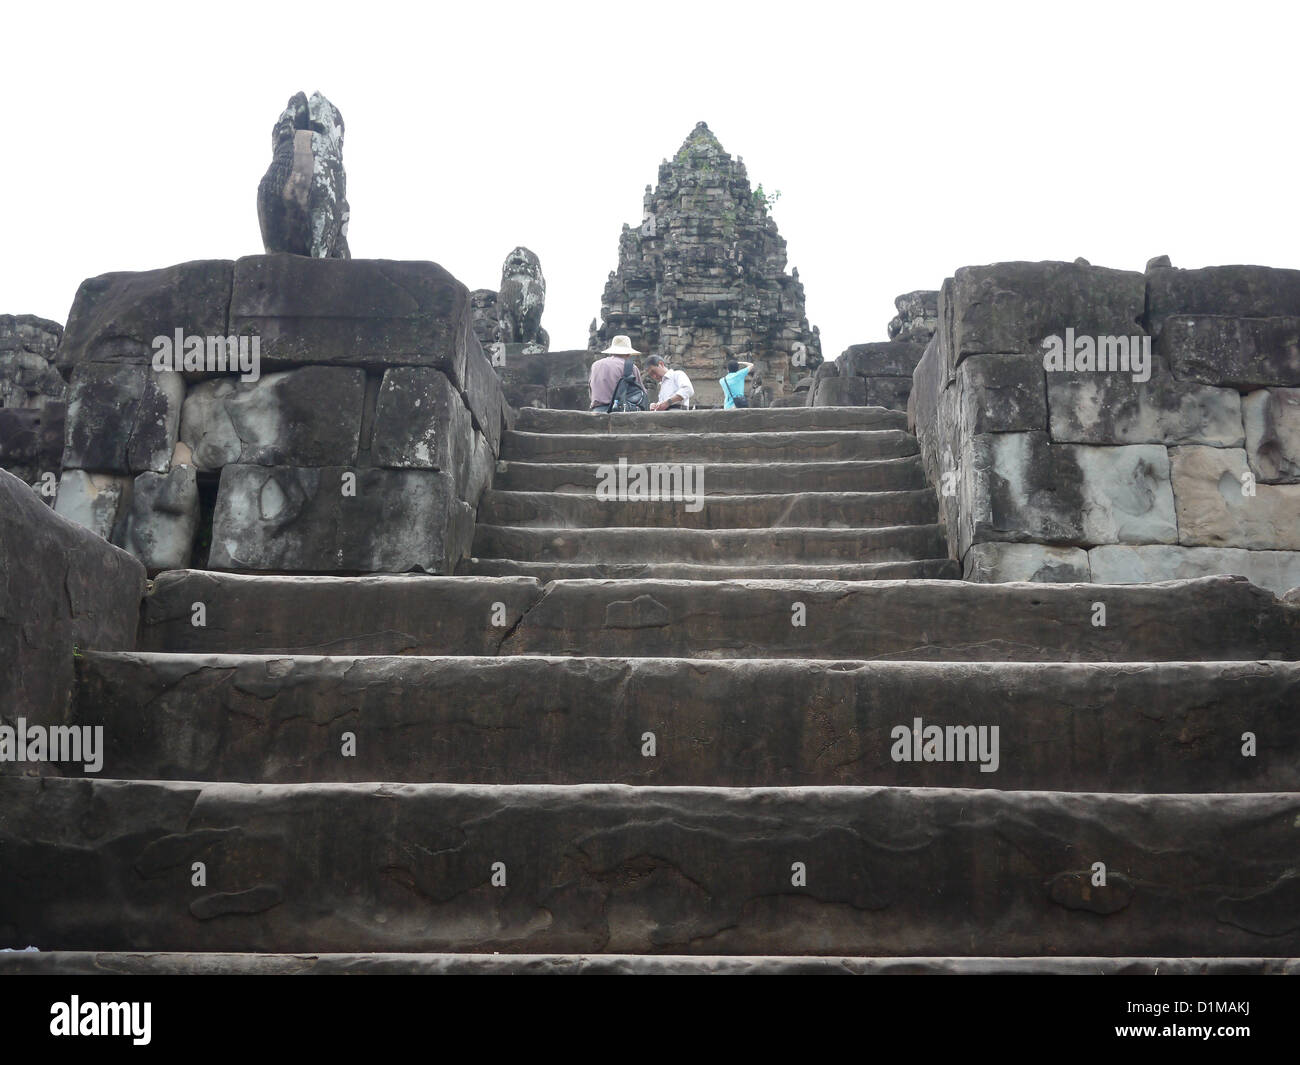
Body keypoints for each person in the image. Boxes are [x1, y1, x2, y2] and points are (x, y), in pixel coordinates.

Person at [589, 335, 648, 412]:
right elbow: (642, 393)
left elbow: (591, 389)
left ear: (611, 352)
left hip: (597, 412)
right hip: (619, 412)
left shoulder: (595, 365)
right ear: (628, 354)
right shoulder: (631, 367)